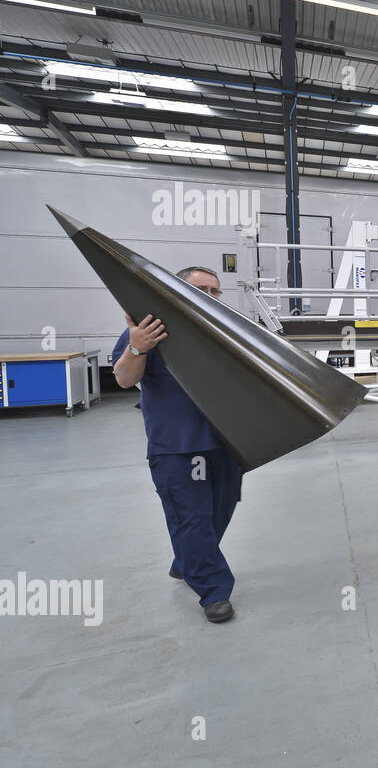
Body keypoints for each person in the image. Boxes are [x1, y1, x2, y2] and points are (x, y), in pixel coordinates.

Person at [110, 267, 242, 624]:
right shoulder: (150, 329)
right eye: (202, 288)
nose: (211, 296)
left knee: (220, 509)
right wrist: (139, 346)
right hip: (179, 446)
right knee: (192, 518)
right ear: (179, 289)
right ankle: (214, 591)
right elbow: (124, 378)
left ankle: (186, 561)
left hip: (226, 442)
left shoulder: (225, 331)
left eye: (216, 291)